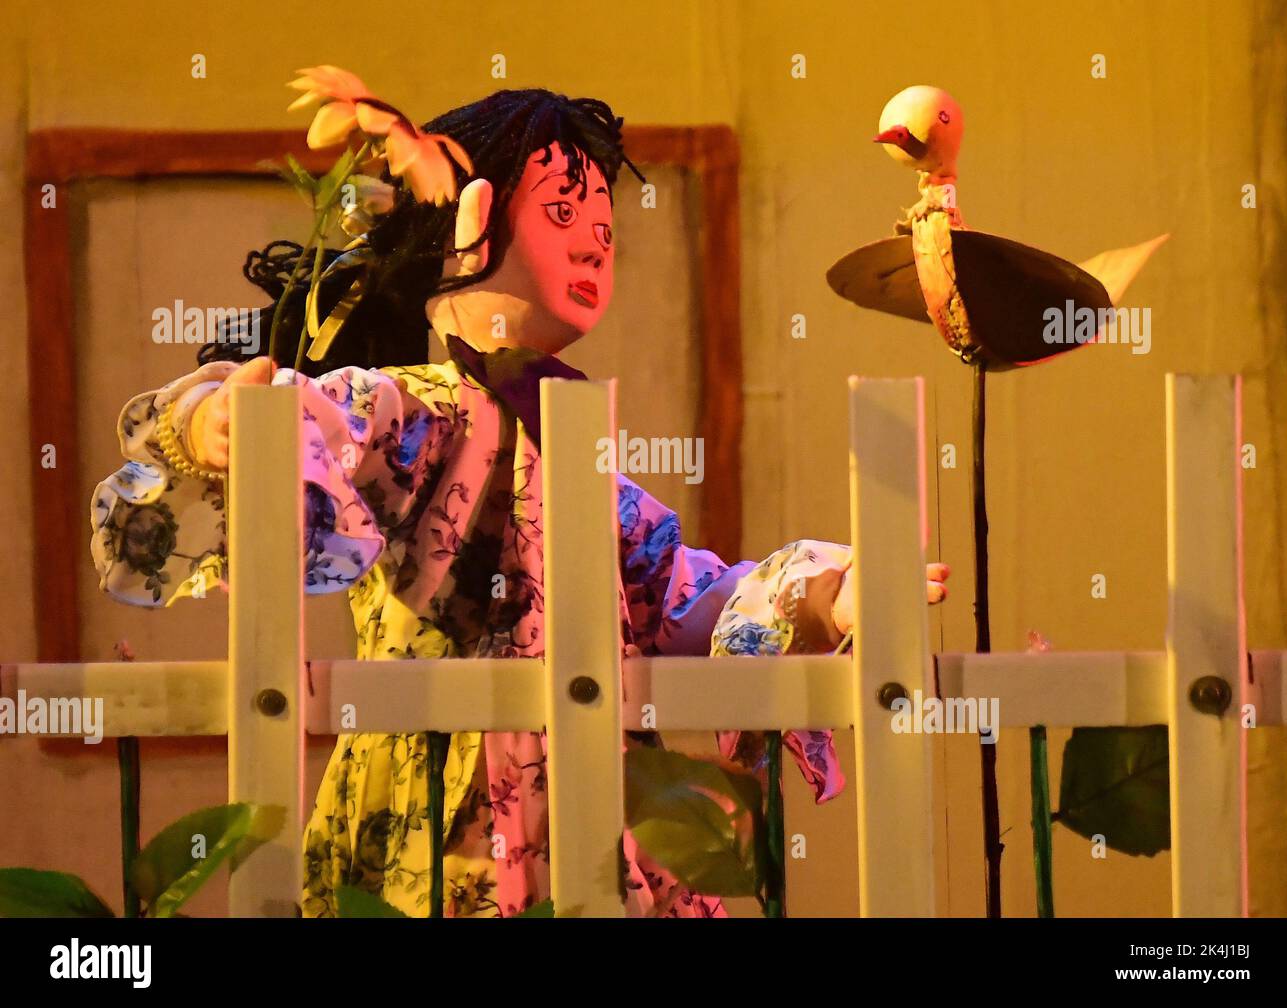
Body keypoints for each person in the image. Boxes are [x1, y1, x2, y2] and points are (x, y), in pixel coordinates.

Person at [91, 87, 949, 917]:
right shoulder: (417, 410)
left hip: (588, 798)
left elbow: (681, 595)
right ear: (468, 218)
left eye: (607, 230)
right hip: (438, 792)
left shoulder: (582, 456)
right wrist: (214, 425)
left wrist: (827, 593)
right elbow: (312, 418)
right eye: (563, 215)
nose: (593, 247)